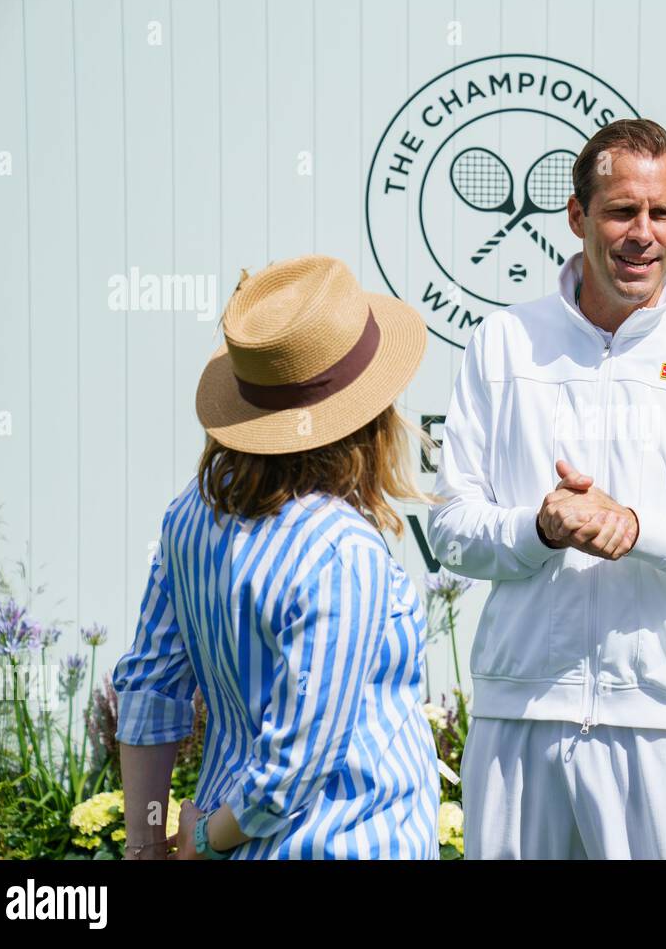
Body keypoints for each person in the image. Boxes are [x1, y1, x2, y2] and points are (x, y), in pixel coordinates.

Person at [428, 118, 666, 859]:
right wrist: (538, 529)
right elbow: (449, 529)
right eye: (620, 211)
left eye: (660, 213)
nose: (643, 234)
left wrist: (639, 529)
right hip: (522, 716)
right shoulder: (502, 342)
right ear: (577, 216)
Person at [112, 255, 441, 859]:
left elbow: (148, 690)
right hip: (348, 842)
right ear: (369, 417)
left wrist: (143, 845)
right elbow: (296, 766)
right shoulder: (342, 550)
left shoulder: (190, 515)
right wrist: (203, 843)